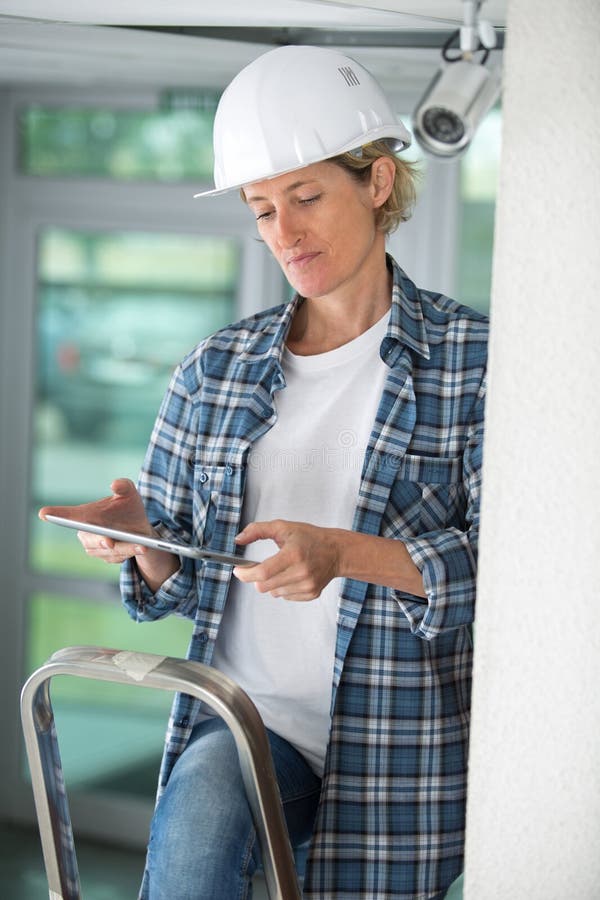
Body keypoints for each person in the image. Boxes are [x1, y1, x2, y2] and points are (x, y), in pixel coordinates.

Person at [40, 45, 487, 900]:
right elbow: (173, 578)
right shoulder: (215, 368)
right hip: (247, 720)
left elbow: (500, 569)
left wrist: (343, 554)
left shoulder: (477, 361)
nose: (285, 233)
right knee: (194, 836)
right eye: (262, 210)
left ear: (378, 183)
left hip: (399, 750)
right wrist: (142, 540)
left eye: (307, 197)